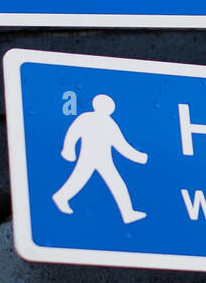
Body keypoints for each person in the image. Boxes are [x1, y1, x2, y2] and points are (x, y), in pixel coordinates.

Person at [51, 94, 148, 224]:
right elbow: (73, 133)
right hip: (89, 157)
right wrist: (68, 149)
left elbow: (121, 145)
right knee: (81, 179)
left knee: (114, 183)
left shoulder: (110, 123)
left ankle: (128, 213)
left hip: (103, 159)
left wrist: (139, 157)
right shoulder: (87, 118)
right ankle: (60, 197)